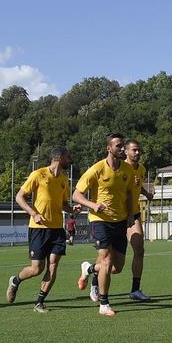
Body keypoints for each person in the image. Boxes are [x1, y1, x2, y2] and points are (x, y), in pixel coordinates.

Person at [7, 148, 80, 312]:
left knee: (53, 266)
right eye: (68, 157)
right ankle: (16, 281)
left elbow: (62, 204)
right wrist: (34, 213)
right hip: (38, 229)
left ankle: (39, 302)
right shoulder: (38, 174)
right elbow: (19, 196)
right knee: (36, 269)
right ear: (59, 158)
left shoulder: (64, 180)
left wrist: (72, 210)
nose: (70, 160)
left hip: (57, 230)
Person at [73, 133, 135, 317]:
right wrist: (93, 205)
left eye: (123, 145)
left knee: (117, 268)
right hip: (100, 221)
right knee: (106, 261)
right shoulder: (96, 169)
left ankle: (89, 269)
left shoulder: (127, 170)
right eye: (118, 146)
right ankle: (104, 304)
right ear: (109, 148)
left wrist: (131, 215)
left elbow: (130, 193)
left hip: (121, 221)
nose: (122, 148)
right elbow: (77, 194)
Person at [125, 139, 155, 300]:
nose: (137, 153)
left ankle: (135, 290)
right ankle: (92, 272)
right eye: (134, 150)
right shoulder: (121, 168)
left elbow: (139, 185)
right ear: (126, 151)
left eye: (139, 150)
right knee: (114, 265)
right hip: (117, 216)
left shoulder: (141, 169)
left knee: (139, 250)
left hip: (134, 213)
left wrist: (146, 193)